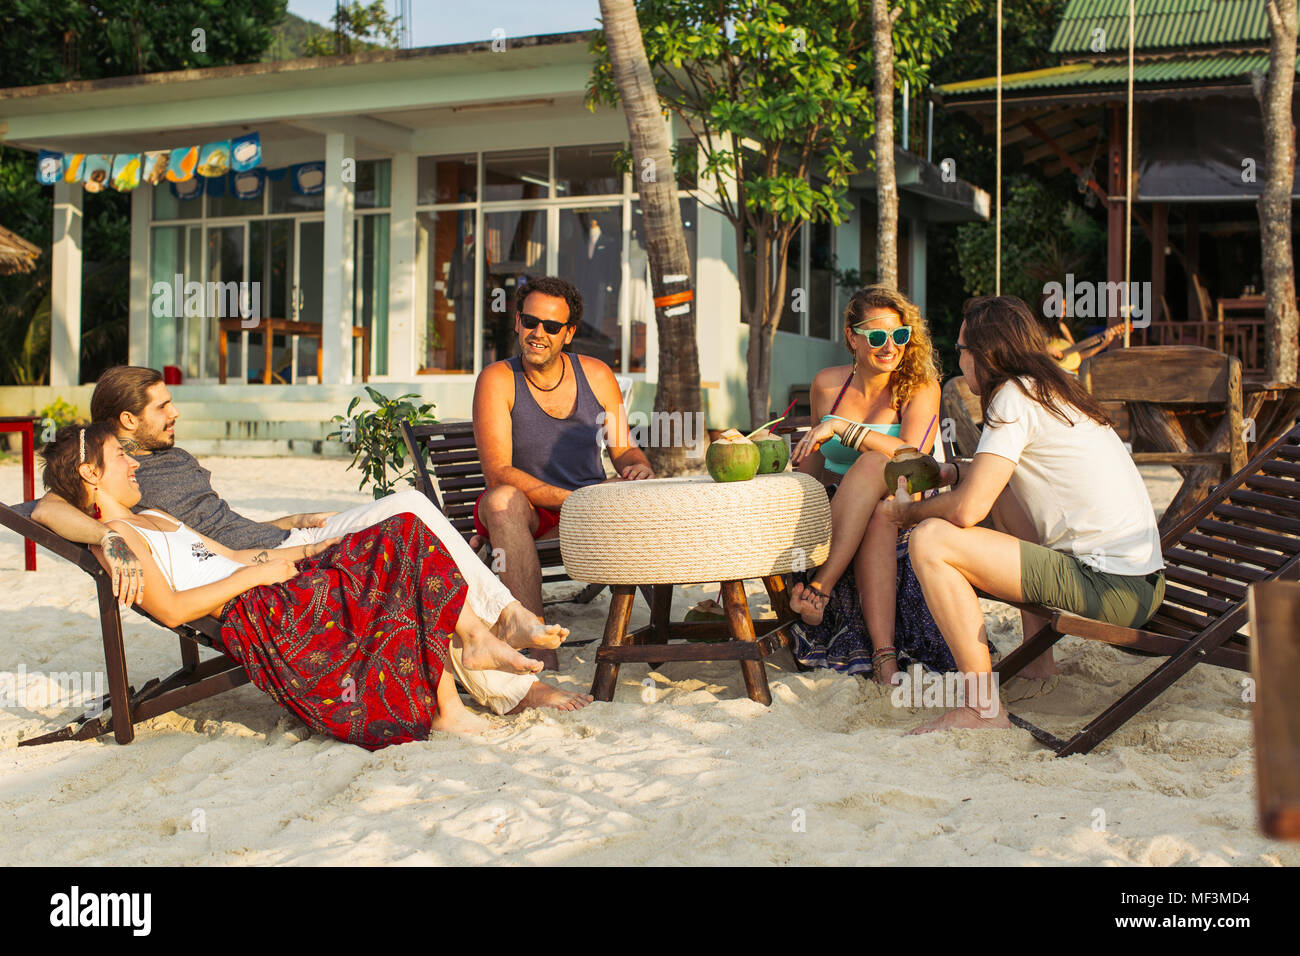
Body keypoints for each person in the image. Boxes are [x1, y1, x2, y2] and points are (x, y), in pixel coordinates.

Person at [30, 365, 591, 714]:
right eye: (162, 407)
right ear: (127, 422)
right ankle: (506, 634)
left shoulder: (166, 460)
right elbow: (47, 504)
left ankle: (502, 635)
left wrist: (294, 519)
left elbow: (222, 524)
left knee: (410, 515)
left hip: (274, 540)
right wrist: (107, 538)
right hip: (262, 571)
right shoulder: (124, 481)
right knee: (409, 511)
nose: (175, 412)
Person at [881, 295, 1165, 733]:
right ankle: (1038, 662)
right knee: (999, 489)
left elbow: (969, 508)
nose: (959, 360)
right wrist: (951, 470)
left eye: (962, 349)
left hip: (1111, 589)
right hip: (1141, 581)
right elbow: (995, 478)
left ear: (986, 353)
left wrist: (908, 515)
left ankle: (981, 708)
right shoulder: (1049, 387)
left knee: (931, 540)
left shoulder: (1012, 397)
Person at [471, 275, 654, 660]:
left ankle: (671, 628)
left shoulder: (597, 374)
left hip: (588, 506)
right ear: (517, 322)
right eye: (530, 321)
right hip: (529, 511)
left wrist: (636, 466)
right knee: (502, 500)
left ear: (568, 333)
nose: (539, 333)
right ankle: (534, 637)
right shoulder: (497, 380)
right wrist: (576, 499)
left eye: (552, 326)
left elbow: (625, 451)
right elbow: (498, 473)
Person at [786, 286, 948, 684]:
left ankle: (820, 588)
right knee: (875, 511)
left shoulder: (920, 385)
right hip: (848, 503)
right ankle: (884, 658)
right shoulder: (827, 385)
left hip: (912, 493)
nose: (889, 346)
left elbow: (913, 455)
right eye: (877, 337)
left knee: (878, 462)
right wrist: (787, 494)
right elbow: (817, 459)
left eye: (899, 335)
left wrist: (846, 428)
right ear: (852, 337)